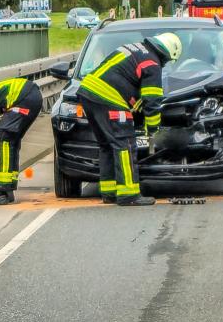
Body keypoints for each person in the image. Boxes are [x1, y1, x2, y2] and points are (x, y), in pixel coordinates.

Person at [76, 32, 182, 206]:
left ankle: (109, 192)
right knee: (125, 144)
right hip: (109, 98)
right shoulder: (152, 63)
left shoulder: (135, 49)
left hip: (88, 93)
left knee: (106, 145)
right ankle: (129, 194)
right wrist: (153, 131)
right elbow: (152, 101)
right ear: (168, 54)